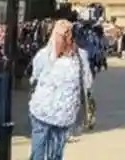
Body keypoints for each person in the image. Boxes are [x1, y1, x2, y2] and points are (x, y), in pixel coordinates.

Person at [29, 20, 93, 160]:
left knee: (39, 151)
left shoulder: (45, 54)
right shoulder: (80, 57)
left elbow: (35, 76)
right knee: (55, 154)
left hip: (44, 110)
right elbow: (87, 82)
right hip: (60, 114)